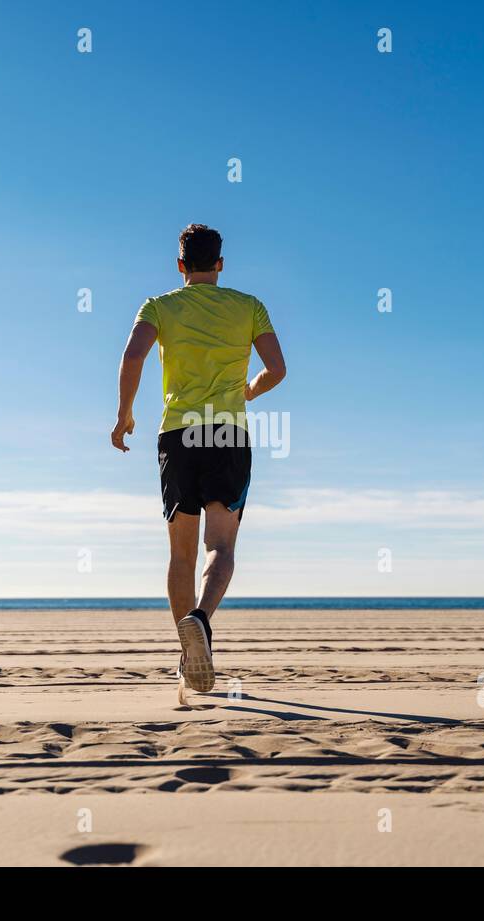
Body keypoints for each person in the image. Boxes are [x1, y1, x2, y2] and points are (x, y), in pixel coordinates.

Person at [111, 223, 287, 702]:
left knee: (181, 555)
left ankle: (189, 659)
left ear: (181, 265)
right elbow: (278, 368)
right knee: (222, 546)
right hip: (228, 432)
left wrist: (125, 416)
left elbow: (133, 355)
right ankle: (202, 622)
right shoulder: (249, 306)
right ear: (221, 264)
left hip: (177, 434)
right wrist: (249, 389)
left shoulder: (159, 305)